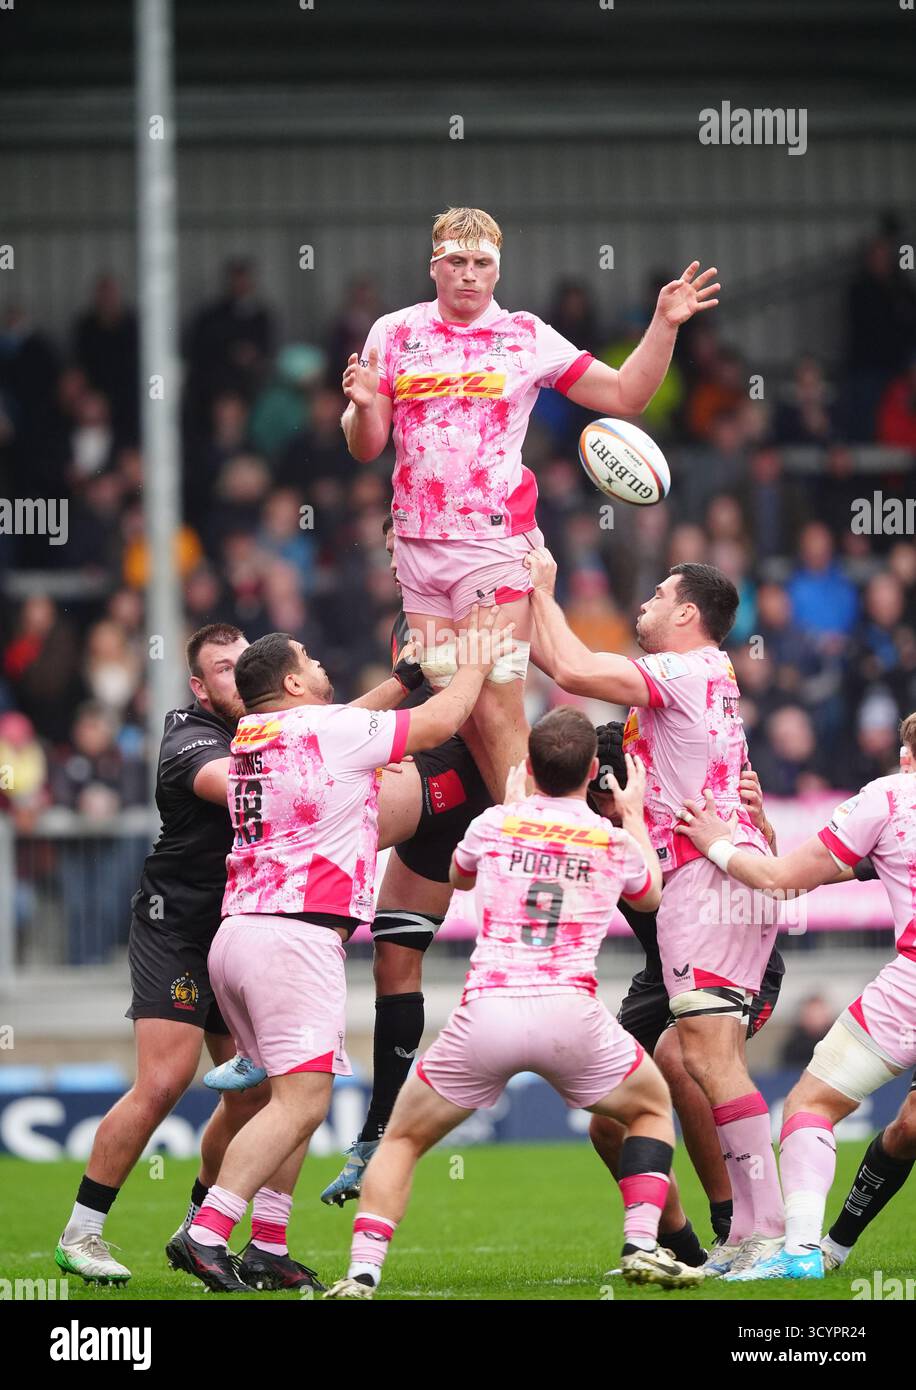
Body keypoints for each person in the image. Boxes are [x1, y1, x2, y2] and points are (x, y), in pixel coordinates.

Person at [166, 611, 512, 1292]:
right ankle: (207, 1232)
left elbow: (341, 722)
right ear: (294, 681)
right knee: (303, 1101)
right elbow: (441, 723)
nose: (322, 664)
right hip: (294, 939)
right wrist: (478, 659)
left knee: (284, 1097)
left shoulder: (255, 733)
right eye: (310, 657)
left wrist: (400, 678)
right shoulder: (324, 730)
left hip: (238, 937)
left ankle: (266, 1244)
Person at [341, 204, 720, 803]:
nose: (469, 274)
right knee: (457, 715)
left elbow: (626, 394)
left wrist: (664, 325)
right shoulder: (393, 332)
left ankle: (539, 843)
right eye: (457, 262)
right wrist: (363, 406)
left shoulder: (524, 335)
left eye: (482, 264)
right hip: (415, 549)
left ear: (498, 271)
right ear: (433, 267)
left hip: (492, 545)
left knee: (496, 708)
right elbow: (367, 448)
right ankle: (516, 836)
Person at [324, 708, 704, 1299]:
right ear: (594, 775)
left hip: (489, 1011)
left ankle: (362, 1274)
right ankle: (639, 1242)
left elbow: (459, 878)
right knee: (651, 1111)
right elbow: (650, 897)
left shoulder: (492, 824)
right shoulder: (611, 839)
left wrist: (509, 808)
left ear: (528, 767)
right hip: (569, 1014)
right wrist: (630, 816)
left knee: (401, 1140)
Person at [524, 547, 785, 1277]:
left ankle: (764, 1234)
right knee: (705, 1058)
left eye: (658, 596)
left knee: (702, 1057)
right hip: (727, 868)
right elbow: (560, 661)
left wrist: (544, 588)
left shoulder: (683, 669)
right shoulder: (712, 677)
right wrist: (533, 604)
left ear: (688, 615)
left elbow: (572, 671)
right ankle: (745, 1237)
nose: (643, 605)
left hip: (706, 880)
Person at [54, 624, 302, 1289]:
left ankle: (200, 1233)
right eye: (224, 669)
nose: (240, 677)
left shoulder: (271, 728)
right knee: (165, 1080)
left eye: (247, 664)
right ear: (199, 684)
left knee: (257, 1099)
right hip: (177, 930)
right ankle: (81, 1233)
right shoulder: (190, 736)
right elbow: (242, 786)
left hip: (237, 934)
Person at [674, 710, 916, 1280]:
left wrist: (715, 843)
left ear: (907, 758)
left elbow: (783, 883)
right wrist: (770, 847)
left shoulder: (890, 796)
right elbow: (821, 870)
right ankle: (831, 1249)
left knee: (809, 1107)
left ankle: (802, 1250)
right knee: (907, 1129)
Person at [586, 722, 785, 1260]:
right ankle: (682, 1249)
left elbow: (777, 881)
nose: (606, 809)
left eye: (610, 795)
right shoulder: (592, 824)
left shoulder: (690, 808)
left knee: (681, 1055)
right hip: (661, 974)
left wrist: (759, 825)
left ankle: (732, 1227)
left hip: (740, 965)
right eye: (597, 799)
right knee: (606, 1121)